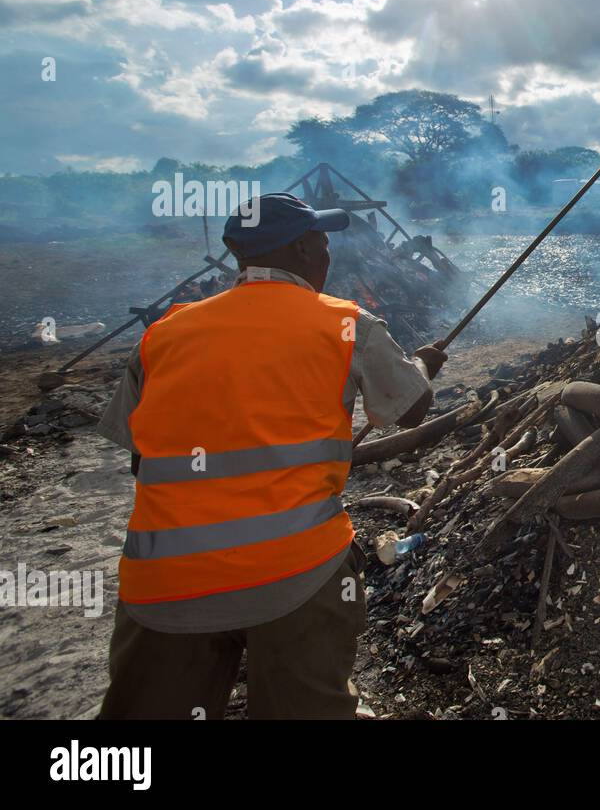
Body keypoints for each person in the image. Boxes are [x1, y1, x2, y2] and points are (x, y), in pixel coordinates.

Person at [95, 192, 446, 719]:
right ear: (305, 248)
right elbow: (414, 410)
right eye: (322, 241)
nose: (327, 252)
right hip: (297, 572)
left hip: (163, 580)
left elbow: (142, 461)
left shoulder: (163, 336)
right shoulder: (344, 323)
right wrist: (423, 363)